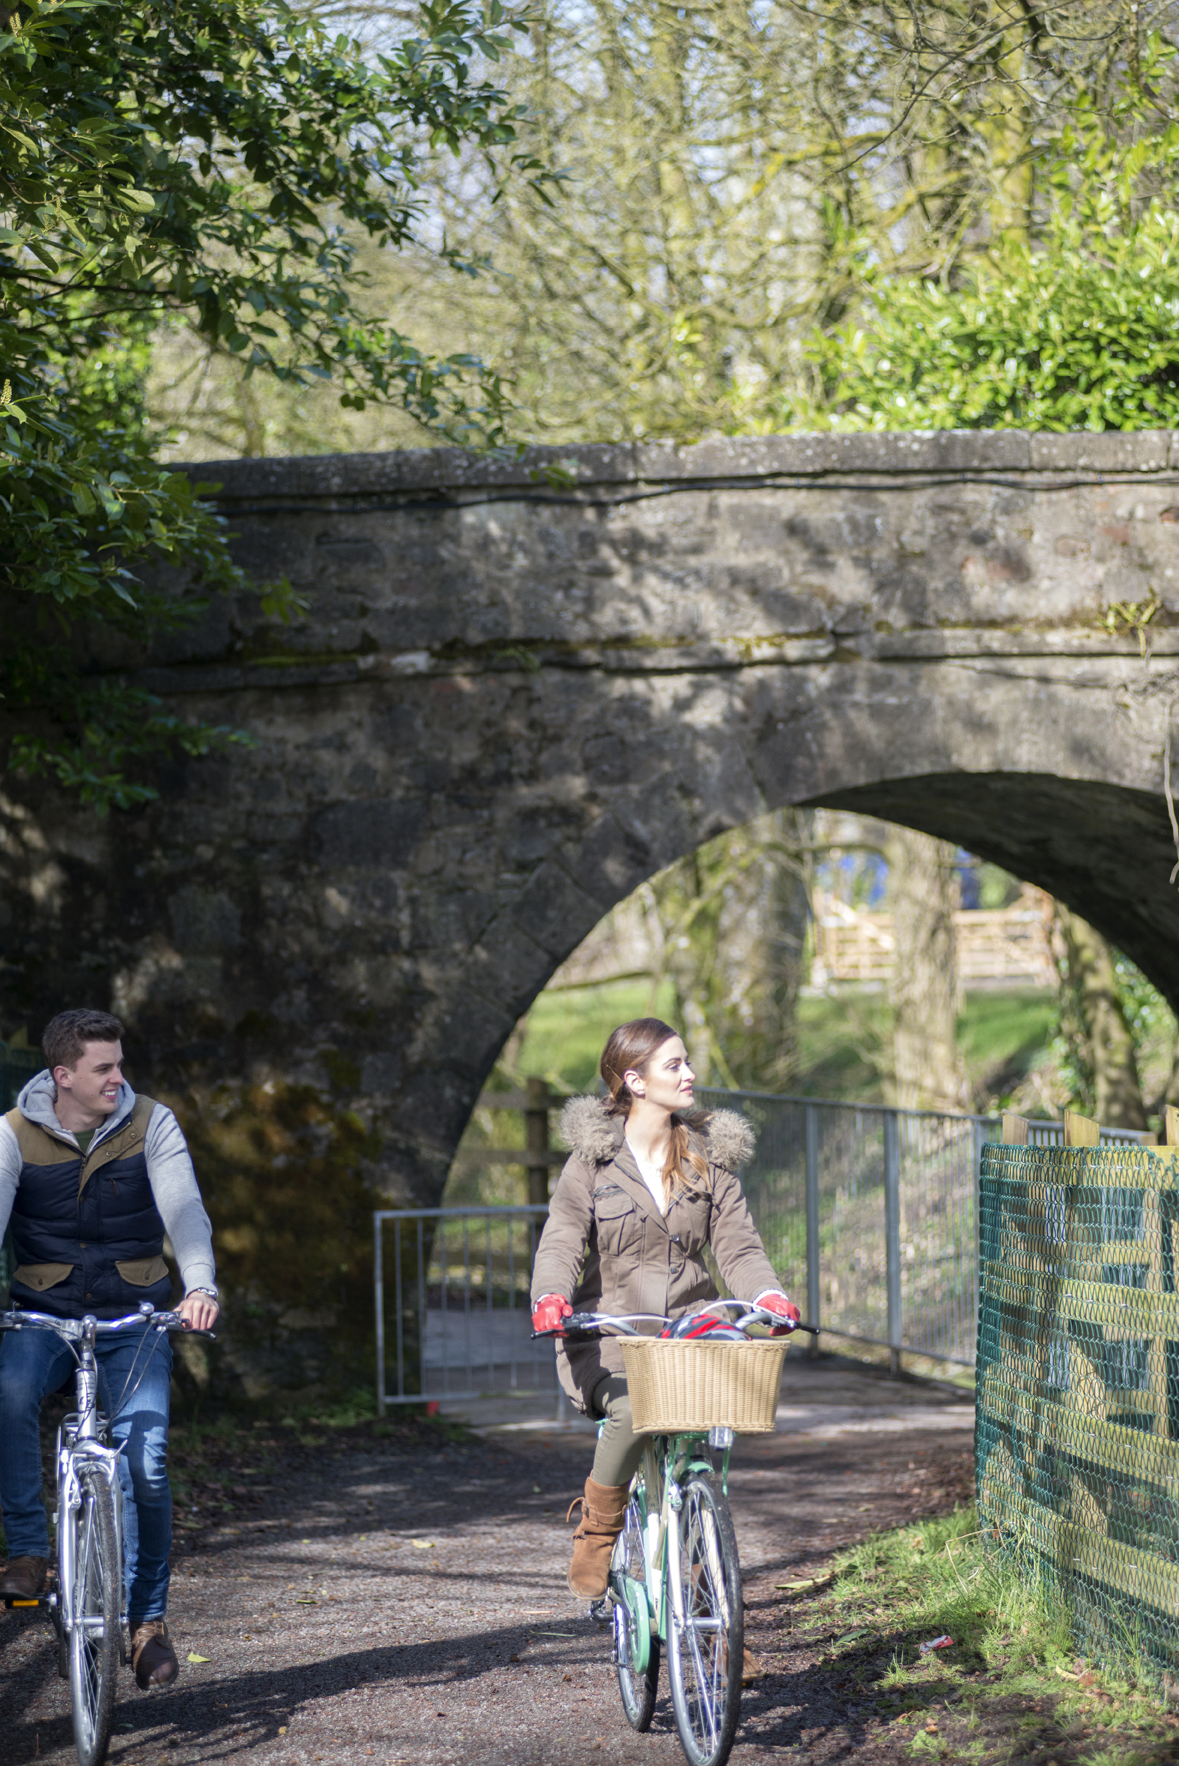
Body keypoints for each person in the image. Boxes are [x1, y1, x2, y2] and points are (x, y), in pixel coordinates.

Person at [531, 1018, 799, 1601]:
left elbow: (739, 1247)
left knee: (702, 1439)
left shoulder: (709, 1159)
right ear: (635, 1080)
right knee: (633, 1411)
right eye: (674, 1065)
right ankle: (597, 1532)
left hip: (689, 1332)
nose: (689, 1074)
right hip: (610, 1338)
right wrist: (550, 1297)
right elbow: (562, 1238)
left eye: (687, 1062)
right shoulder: (592, 1162)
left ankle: (708, 1592)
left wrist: (767, 1296)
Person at [0, 1008, 219, 1690]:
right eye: (104, 1068)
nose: (118, 1078)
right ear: (62, 1075)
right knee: (9, 1395)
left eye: (119, 1064)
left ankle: (146, 1623)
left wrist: (199, 1284)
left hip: (135, 1318)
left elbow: (184, 1210)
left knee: (145, 1465)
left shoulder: (151, 1123)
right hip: (43, 1315)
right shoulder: (13, 1133)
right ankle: (28, 1554)